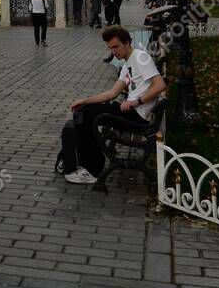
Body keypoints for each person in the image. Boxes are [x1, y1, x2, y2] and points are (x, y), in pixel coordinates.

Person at [64, 26, 166, 184]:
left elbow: (160, 85)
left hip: (137, 117)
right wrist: (84, 100)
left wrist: (136, 101)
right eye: (110, 48)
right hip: (128, 111)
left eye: (116, 46)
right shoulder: (127, 64)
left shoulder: (140, 58)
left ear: (127, 43)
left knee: (84, 115)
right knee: (82, 111)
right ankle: (88, 165)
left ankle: (92, 170)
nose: (114, 52)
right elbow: (112, 93)